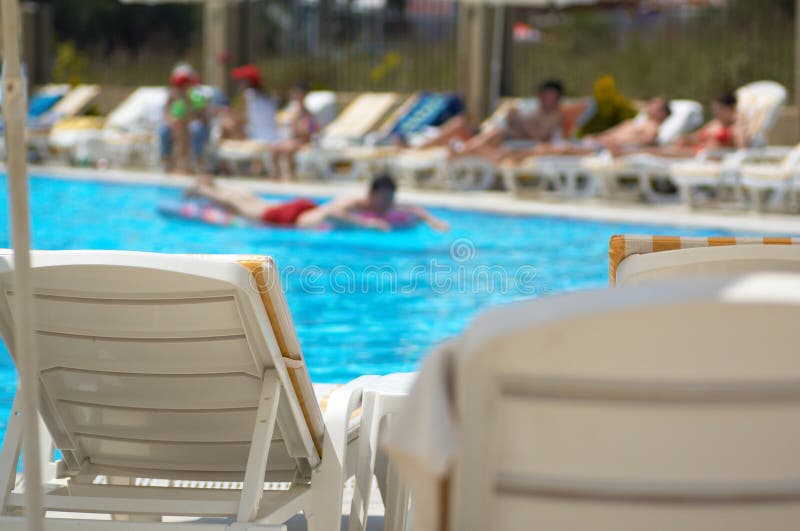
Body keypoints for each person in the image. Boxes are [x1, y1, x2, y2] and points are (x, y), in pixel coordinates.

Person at [189, 174, 450, 232]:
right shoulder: (355, 203)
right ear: (371, 195)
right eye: (382, 200)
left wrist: (433, 221)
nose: (386, 206)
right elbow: (333, 214)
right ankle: (206, 190)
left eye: (389, 201)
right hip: (290, 218)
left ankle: (216, 185)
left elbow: (413, 209)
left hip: (304, 209)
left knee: (252, 200)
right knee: (245, 206)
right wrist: (367, 225)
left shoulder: (381, 207)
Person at [416, 79, 567, 160]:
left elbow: (538, 137)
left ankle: (462, 150)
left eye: (550, 95)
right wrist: (511, 116)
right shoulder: (533, 108)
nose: (546, 98)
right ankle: (417, 149)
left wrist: (519, 123)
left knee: (494, 134)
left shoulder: (554, 116)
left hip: (507, 139)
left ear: (556, 97)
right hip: (498, 133)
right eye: (544, 94)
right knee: (459, 123)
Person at [159, 63, 210, 174]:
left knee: (194, 129)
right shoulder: (173, 96)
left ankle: (197, 163)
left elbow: (203, 116)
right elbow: (167, 114)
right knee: (165, 130)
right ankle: (167, 162)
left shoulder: (197, 96)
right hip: (178, 126)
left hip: (191, 127)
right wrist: (172, 122)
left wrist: (186, 120)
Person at [269, 83, 319, 181]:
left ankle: (291, 175)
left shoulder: (307, 112)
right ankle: (276, 174)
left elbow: (313, 130)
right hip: (293, 139)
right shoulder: (292, 110)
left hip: (303, 140)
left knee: (288, 150)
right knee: (274, 148)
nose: (295, 95)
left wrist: (305, 129)